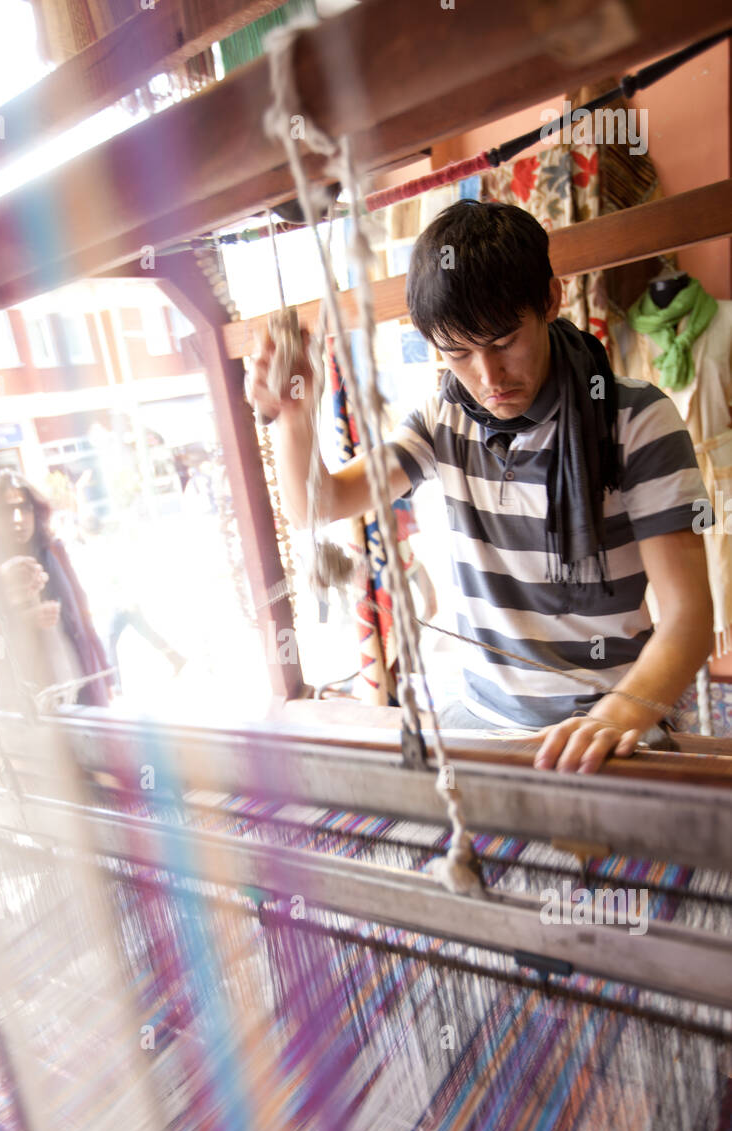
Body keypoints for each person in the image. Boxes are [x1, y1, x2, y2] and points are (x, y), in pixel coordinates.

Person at [247, 200, 714, 775]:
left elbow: (689, 617)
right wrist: (295, 419)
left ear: (549, 298)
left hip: (613, 724)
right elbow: (317, 506)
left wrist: (617, 716)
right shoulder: (444, 418)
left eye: (502, 341)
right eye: (459, 354)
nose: (488, 379)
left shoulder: (634, 418)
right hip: (482, 719)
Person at [0, 470, 112, 709]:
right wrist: (22, 622)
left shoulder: (53, 551)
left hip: (81, 688)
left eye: (25, 507)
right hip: (31, 707)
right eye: (5, 510)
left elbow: (83, 615)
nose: (18, 518)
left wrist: (104, 673)